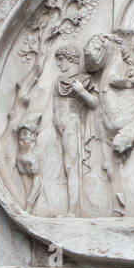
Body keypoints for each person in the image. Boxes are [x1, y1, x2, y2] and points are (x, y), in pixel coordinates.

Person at [51, 44, 96, 215]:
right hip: (56, 130)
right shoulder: (58, 81)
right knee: (60, 168)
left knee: (71, 167)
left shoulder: (83, 80)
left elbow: (95, 103)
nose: (59, 64)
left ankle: (73, 211)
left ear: (70, 60)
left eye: (61, 60)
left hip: (71, 126)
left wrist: (82, 92)